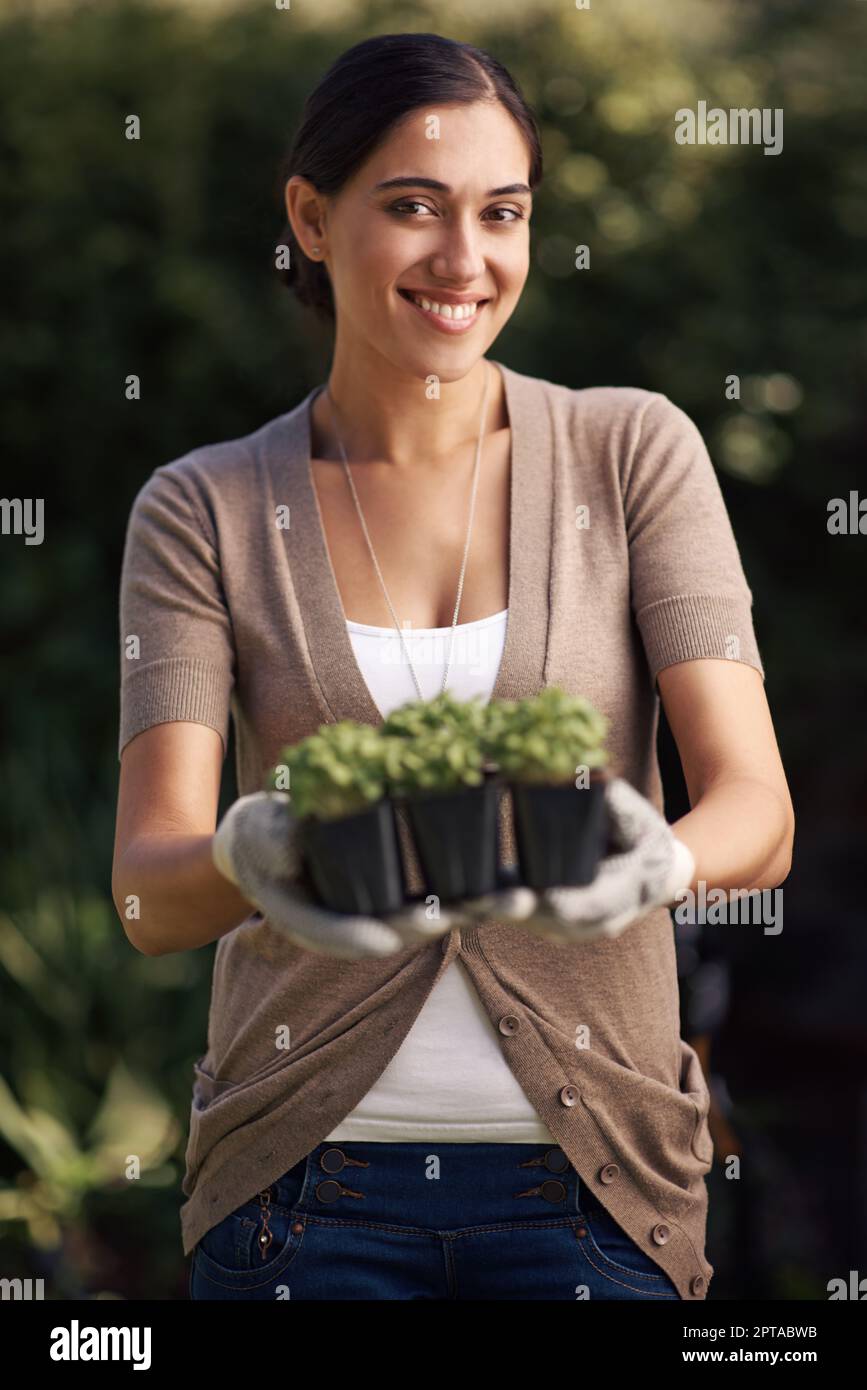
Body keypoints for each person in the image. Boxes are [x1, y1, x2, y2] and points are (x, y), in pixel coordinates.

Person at [112, 32, 794, 1302]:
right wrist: (251, 854)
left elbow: (759, 807)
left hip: (600, 1198)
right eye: (413, 207)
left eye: (505, 213)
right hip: (300, 1205)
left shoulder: (632, 454)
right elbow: (146, 894)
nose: (465, 260)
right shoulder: (201, 509)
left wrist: (667, 858)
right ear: (311, 219)